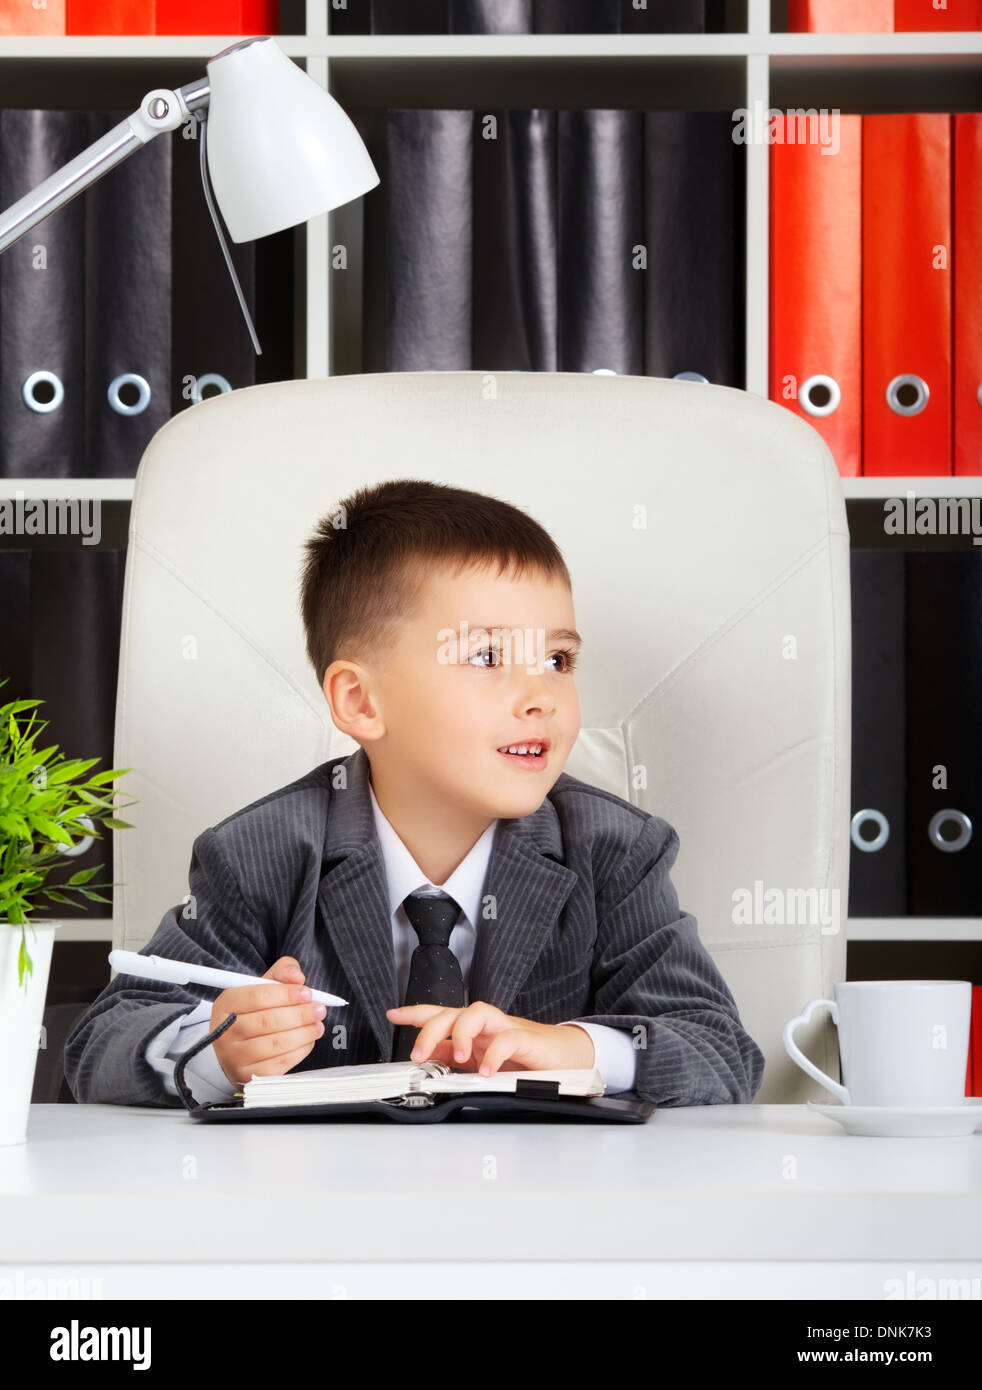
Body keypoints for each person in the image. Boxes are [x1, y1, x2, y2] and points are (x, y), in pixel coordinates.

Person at [64, 477, 765, 1108]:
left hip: (546, 1218)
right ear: (361, 702)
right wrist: (216, 1052)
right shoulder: (261, 852)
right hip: (322, 1221)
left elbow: (721, 1050)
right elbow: (100, 1046)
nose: (541, 696)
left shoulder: (615, 851)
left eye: (558, 659)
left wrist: (583, 1050)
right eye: (487, 657)